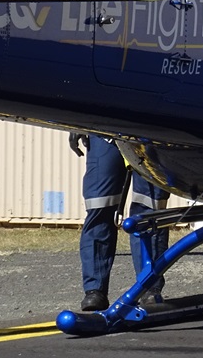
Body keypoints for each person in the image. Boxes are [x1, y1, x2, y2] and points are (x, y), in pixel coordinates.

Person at [69, 132, 171, 311]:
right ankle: (95, 291)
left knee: (150, 211)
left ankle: (149, 288)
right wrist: (74, 121)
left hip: (148, 130)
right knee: (99, 207)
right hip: (104, 130)